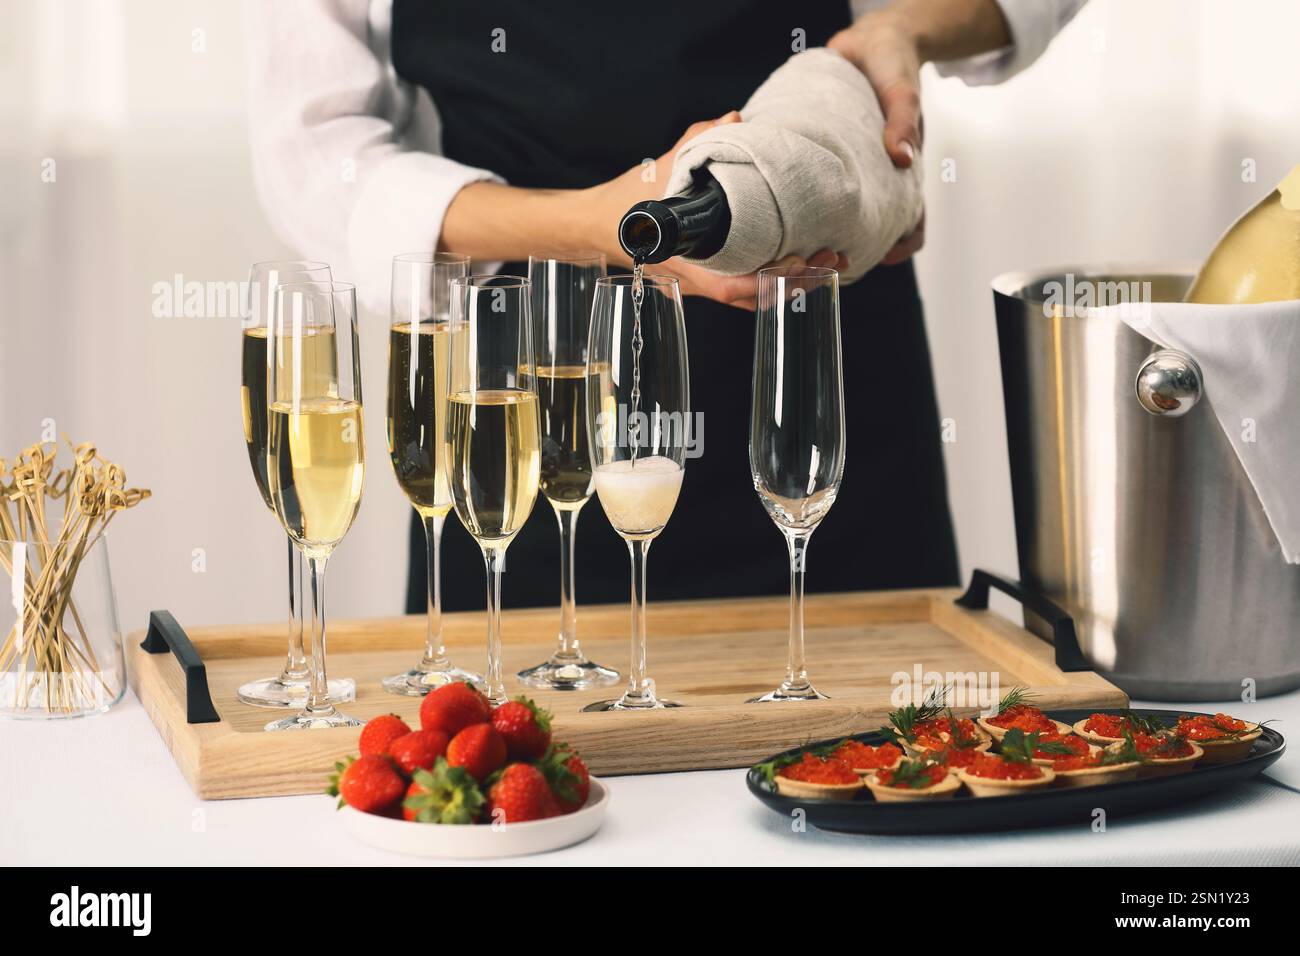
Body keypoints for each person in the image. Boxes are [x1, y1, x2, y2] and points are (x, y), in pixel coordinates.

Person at [246, 0, 1086, 613]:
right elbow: (315, 155)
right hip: (526, 406)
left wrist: (904, 29)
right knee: (530, 787)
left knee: (880, 782)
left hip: (820, 370)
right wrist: (598, 229)